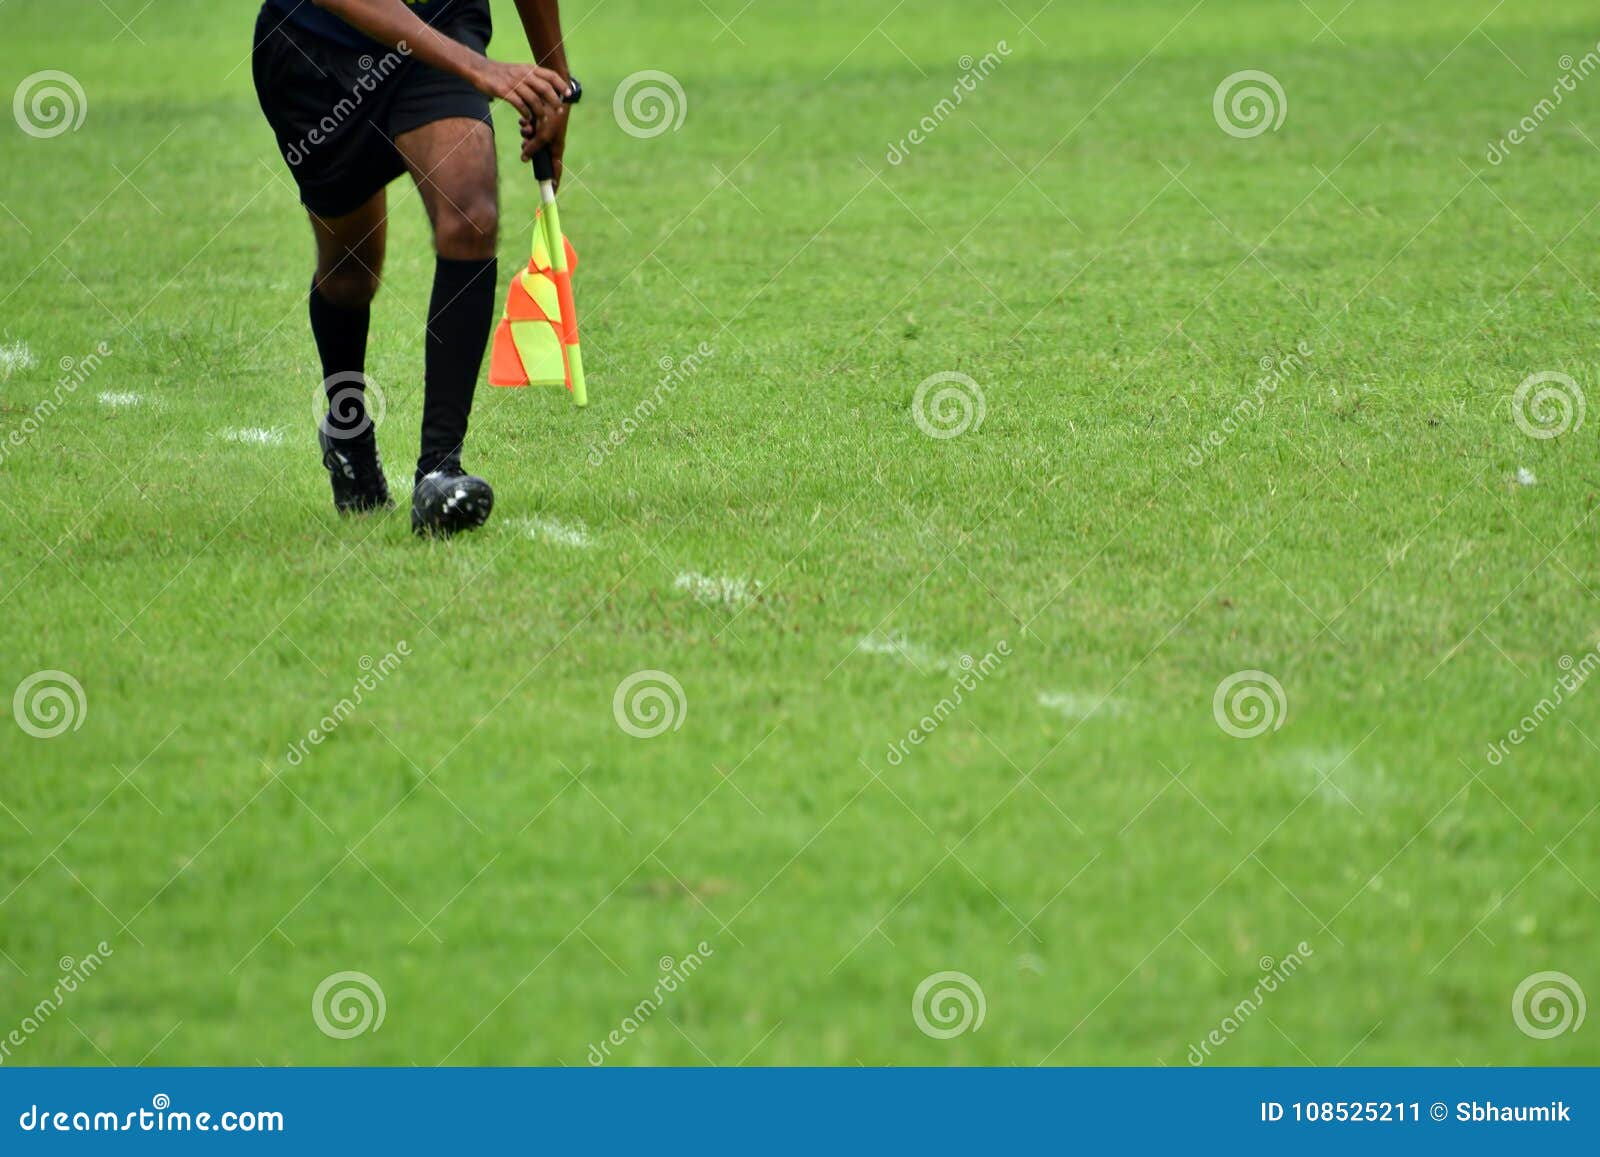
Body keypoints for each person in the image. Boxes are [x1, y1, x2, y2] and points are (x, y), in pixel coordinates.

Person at [252, 0, 574, 536]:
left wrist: (557, 85)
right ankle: (348, 432)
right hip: (317, 48)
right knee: (351, 274)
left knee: (472, 218)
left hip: (440, 27)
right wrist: (479, 68)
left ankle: (439, 473)